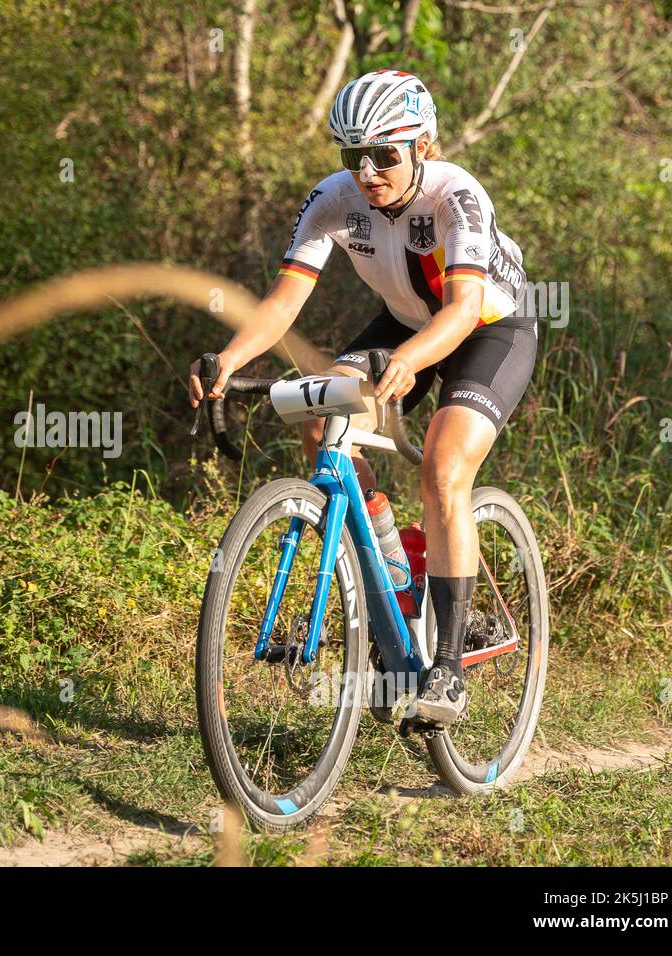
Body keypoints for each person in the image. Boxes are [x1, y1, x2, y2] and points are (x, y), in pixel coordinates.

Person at [188, 70, 536, 728]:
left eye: (384, 155)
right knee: (321, 424)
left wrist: (408, 361)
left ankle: (447, 671)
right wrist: (232, 359)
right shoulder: (332, 199)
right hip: (404, 324)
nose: (369, 172)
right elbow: (284, 302)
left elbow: (461, 311)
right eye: (354, 157)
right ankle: (397, 587)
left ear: (423, 148)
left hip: (488, 329)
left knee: (442, 466)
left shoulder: (455, 194)